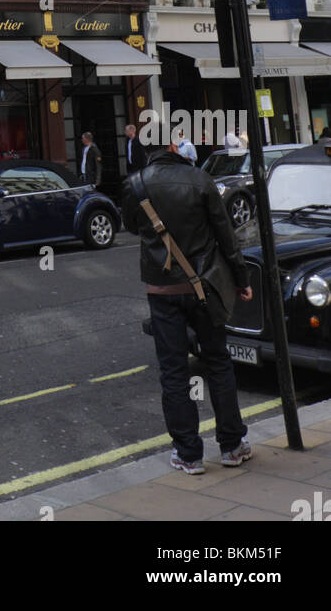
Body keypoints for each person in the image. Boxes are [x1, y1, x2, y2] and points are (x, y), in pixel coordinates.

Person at [121, 135, 253, 474]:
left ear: (147, 151)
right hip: (204, 285)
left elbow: (131, 225)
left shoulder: (135, 184)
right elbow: (226, 235)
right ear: (174, 147)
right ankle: (232, 446)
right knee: (218, 362)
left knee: (174, 372)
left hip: (162, 290)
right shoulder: (199, 179)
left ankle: (189, 454)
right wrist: (241, 279)